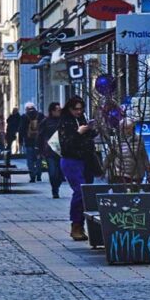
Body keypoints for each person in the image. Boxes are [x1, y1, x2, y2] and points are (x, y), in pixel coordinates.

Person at [59, 95, 98, 241]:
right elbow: (66, 144)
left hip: (86, 159)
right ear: (70, 109)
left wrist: (92, 130)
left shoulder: (82, 119)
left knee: (86, 192)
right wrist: (78, 133)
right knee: (80, 191)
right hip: (71, 160)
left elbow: (88, 138)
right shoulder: (65, 123)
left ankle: (81, 225)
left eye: (81, 109)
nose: (79, 112)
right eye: (76, 109)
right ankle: (76, 225)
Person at [105, 118, 149, 183]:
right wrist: (104, 170)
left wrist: (148, 173)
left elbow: (144, 157)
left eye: (128, 128)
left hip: (136, 175)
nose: (126, 131)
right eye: (124, 128)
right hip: (120, 174)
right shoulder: (116, 140)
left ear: (132, 128)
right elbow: (109, 157)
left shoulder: (139, 139)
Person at [38, 102, 64, 198]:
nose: (60, 112)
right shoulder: (46, 122)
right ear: (52, 111)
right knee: (52, 172)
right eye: (58, 110)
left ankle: (57, 185)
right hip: (50, 151)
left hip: (63, 151)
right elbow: (40, 136)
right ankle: (54, 189)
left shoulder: (63, 121)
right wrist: (40, 150)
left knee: (61, 173)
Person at [18, 103, 43, 183]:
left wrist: (20, 141)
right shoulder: (40, 115)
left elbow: (21, 130)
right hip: (39, 141)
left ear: (26, 109)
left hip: (28, 141)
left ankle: (32, 176)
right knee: (39, 158)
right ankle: (39, 175)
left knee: (30, 159)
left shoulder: (24, 116)